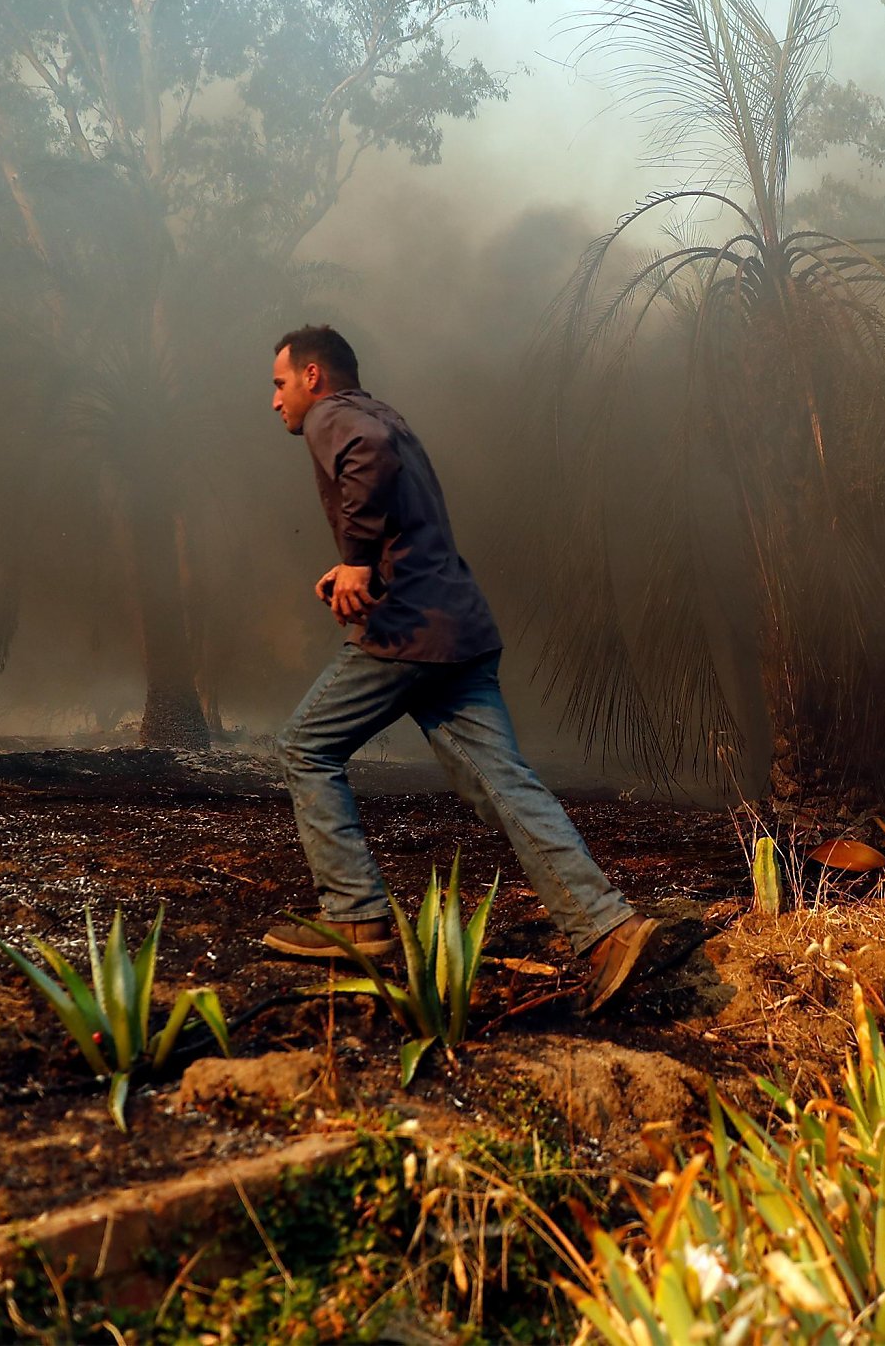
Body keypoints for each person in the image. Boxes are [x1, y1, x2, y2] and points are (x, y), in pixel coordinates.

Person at [262, 324, 658, 1013]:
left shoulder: (339, 417)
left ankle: (355, 914)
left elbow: (369, 457)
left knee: (304, 746)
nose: (276, 401)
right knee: (505, 787)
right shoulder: (384, 411)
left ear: (314, 377)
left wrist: (358, 558)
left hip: (411, 632)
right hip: (460, 626)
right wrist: (359, 564)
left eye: (279, 383)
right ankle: (608, 931)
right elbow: (399, 503)